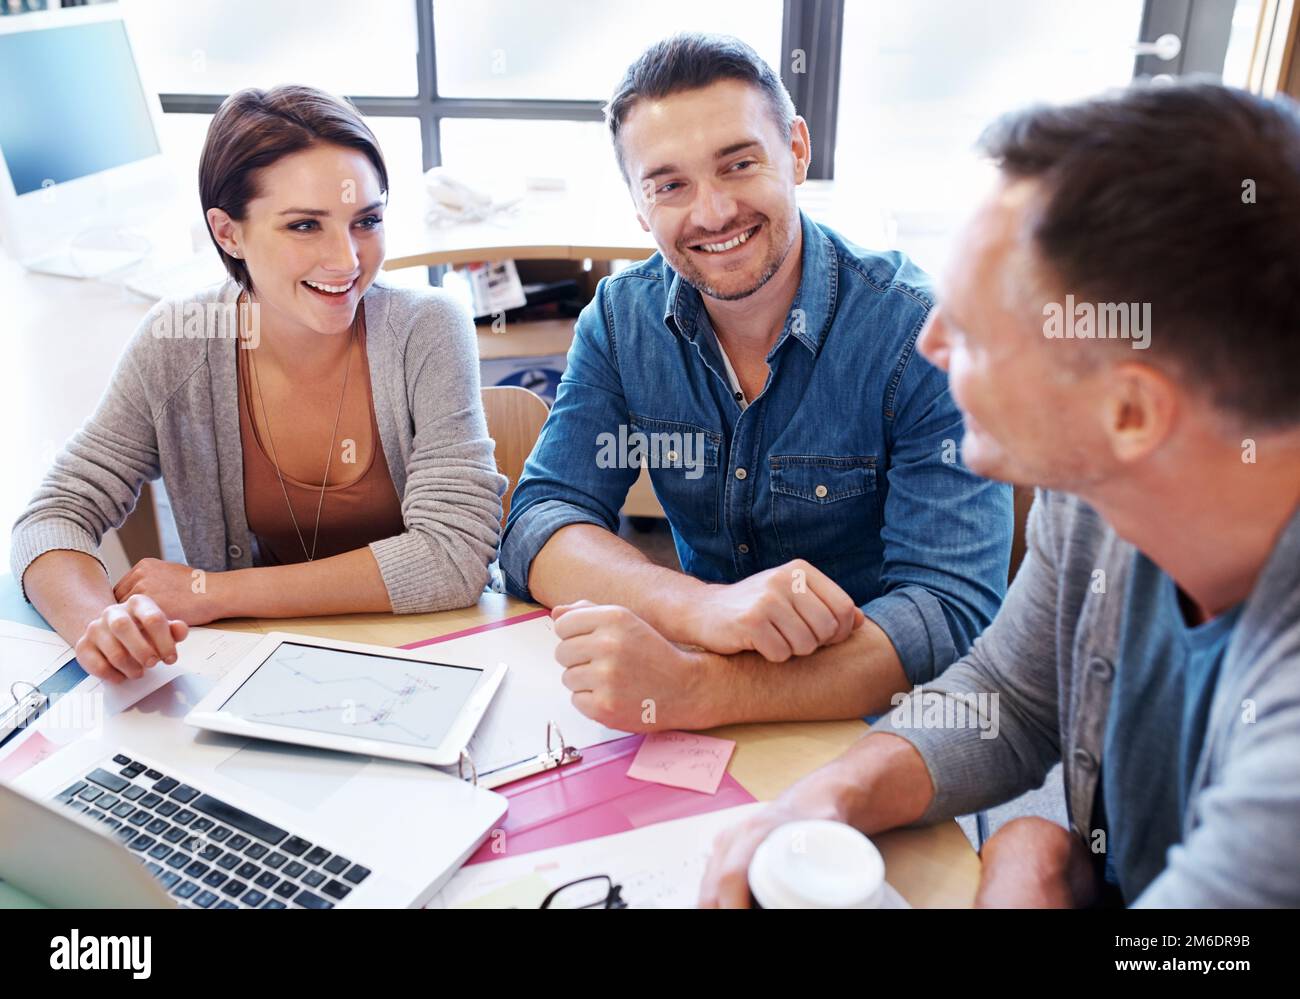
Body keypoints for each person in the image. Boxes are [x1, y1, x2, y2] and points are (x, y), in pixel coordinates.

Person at [700, 81, 1300, 907]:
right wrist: (825, 798)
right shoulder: (1102, 491)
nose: (930, 340)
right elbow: (1010, 696)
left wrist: (1026, 871)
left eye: (977, 328)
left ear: (1129, 411)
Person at [500, 34, 1012, 732]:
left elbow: (948, 613)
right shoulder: (621, 321)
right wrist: (701, 609)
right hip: (690, 678)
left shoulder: (920, 333)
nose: (712, 213)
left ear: (797, 150)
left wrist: (707, 689)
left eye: (739, 164)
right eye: (670, 184)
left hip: (871, 712)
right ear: (638, 206)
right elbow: (540, 521)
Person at [12, 85, 506, 684]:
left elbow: (453, 559)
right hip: (257, 674)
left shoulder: (426, 329)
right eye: (304, 226)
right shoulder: (179, 341)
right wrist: (101, 626)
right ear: (228, 233)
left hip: (434, 662)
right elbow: (55, 514)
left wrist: (217, 592)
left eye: (366, 221)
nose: (346, 259)